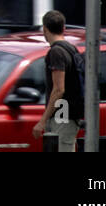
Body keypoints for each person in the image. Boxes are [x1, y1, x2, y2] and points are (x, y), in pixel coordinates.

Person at [32, 10, 84, 151]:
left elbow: (59, 89)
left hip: (62, 117)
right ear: (63, 28)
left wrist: (42, 121)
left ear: (44, 29)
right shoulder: (72, 49)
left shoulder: (56, 52)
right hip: (68, 116)